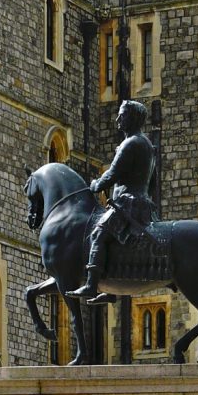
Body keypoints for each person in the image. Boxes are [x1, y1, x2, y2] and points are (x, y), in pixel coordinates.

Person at [68, 100, 156, 304]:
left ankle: (91, 285)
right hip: (142, 203)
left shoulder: (131, 143)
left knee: (99, 233)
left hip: (128, 203)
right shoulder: (147, 145)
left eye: (122, 115)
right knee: (116, 240)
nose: (117, 119)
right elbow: (153, 182)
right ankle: (111, 288)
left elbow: (113, 173)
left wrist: (95, 185)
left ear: (132, 118)